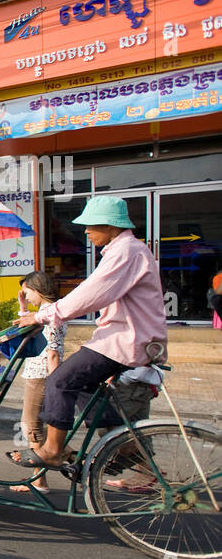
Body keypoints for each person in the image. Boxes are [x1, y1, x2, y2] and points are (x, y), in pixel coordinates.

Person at [14, 196, 168, 471]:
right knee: (85, 386)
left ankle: (51, 449)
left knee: (60, 380)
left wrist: (41, 315)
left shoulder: (127, 252)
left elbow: (89, 296)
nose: (85, 231)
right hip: (120, 338)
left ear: (109, 225)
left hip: (124, 340)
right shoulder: (125, 250)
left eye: (90, 226)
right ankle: (125, 446)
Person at [8, 272, 66, 493]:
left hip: (42, 374)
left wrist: (55, 383)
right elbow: (29, 329)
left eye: (28, 292)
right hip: (40, 373)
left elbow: (53, 351)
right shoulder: (49, 311)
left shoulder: (50, 314)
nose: (27, 296)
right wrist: (22, 305)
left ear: (38, 289)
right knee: (36, 426)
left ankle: (39, 480)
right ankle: (62, 456)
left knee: (31, 426)